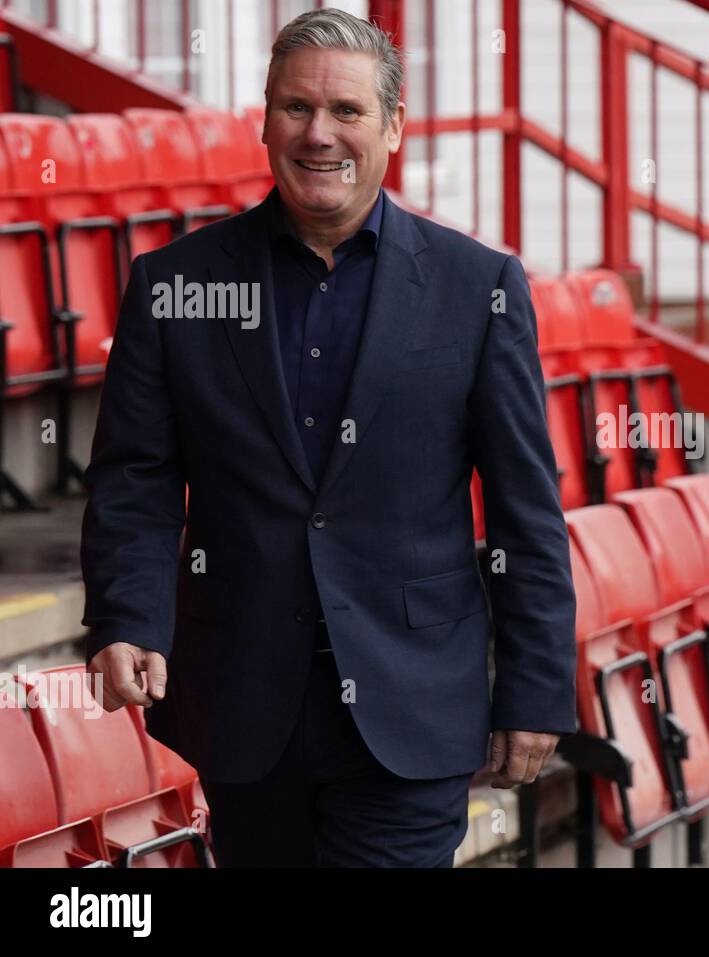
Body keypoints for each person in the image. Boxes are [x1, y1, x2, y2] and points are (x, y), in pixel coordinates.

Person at [80, 7, 576, 867]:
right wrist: (127, 615)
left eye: (346, 111)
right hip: (242, 705)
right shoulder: (173, 285)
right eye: (297, 108)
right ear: (264, 120)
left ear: (391, 127)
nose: (320, 135)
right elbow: (136, 477)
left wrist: (535, 688)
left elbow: (526, 509)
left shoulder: (479, 287)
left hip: (412, 707)